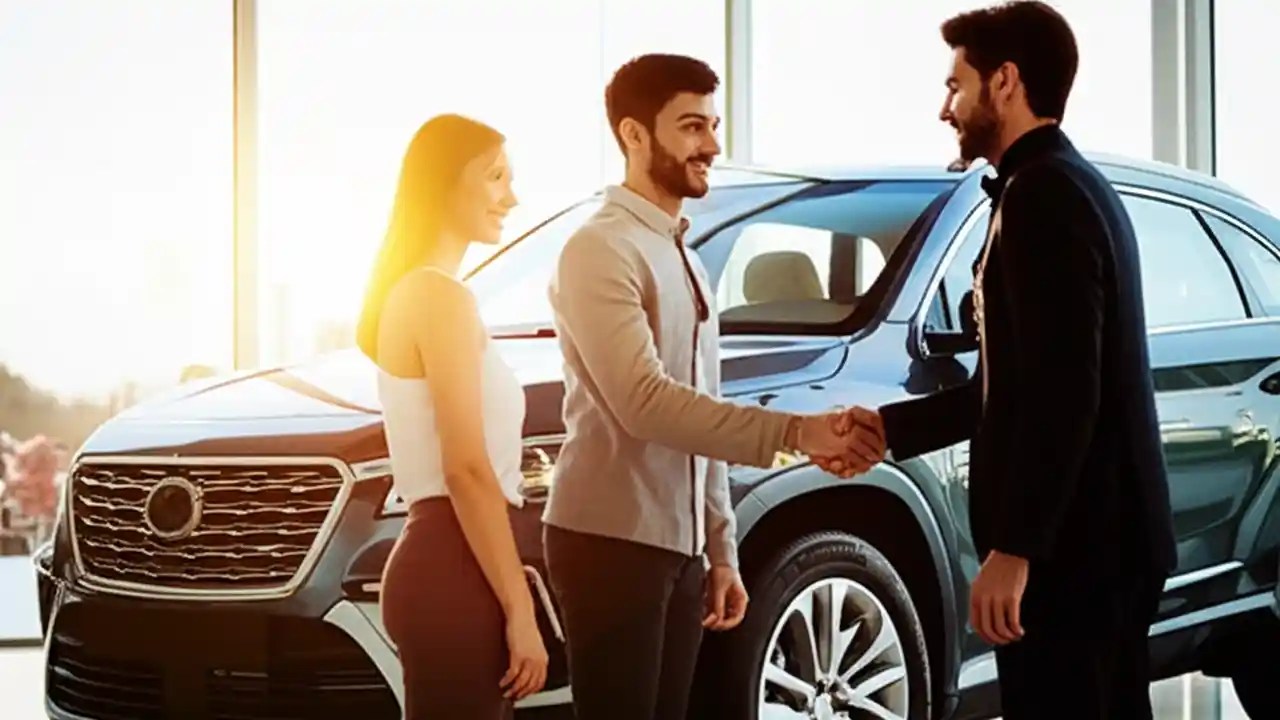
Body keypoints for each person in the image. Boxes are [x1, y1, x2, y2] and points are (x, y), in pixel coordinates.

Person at [846, 3, 1177, 718]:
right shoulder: (1057, 185)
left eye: (956, 85)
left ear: (1005, 81)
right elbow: (1015, 387)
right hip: (1096, 550)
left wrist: (1017, 549)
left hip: (1077, 560)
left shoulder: (1045, 197)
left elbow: (1065, 395)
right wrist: (890, 430)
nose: (946, 108)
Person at [542, 53, 882, 720]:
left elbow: (701, 411)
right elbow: (645, 402)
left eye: (713, 125)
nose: (712, 146)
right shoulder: (599, 249)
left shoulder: (687, 258)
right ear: (634, 136)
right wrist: (795, 433)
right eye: (692, 127)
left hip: (680, 549)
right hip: (611, 544)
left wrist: (720, 550)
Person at [356, 113, 548, 719]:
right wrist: (520, 611)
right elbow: (465, 469)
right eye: (495, 177)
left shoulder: (420, 293)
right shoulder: (438, 296)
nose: (511, 197)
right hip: (454, 569)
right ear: (443, 183)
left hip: (449, 564)